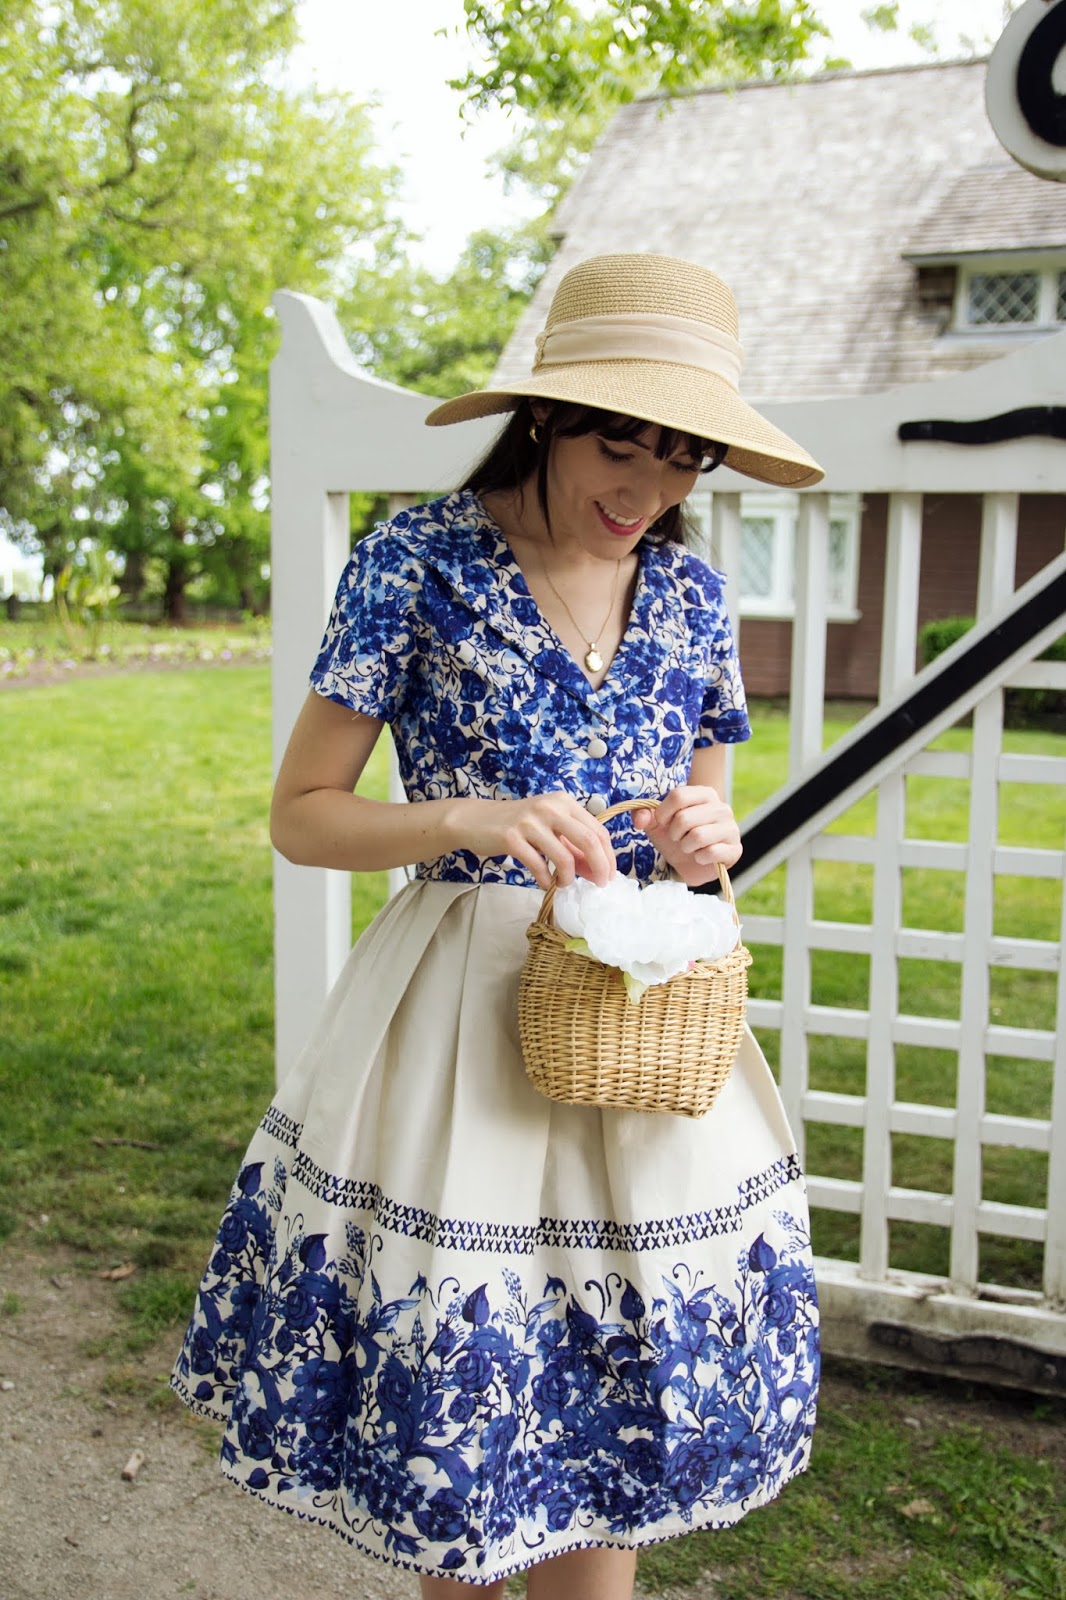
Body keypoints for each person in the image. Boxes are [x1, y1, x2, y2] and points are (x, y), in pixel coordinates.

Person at [171, 252, 824, 1599]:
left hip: (631, 1017)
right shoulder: (415, 560)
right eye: (617, 443)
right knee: (463, 1432)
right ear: (540, 419)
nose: (647, 489)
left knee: (611, 1394)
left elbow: (697, 820)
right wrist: (461, 818)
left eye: (683, 458)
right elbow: (302, 814)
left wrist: (709, 840)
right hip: (456, 1017)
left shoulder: (694, 598)